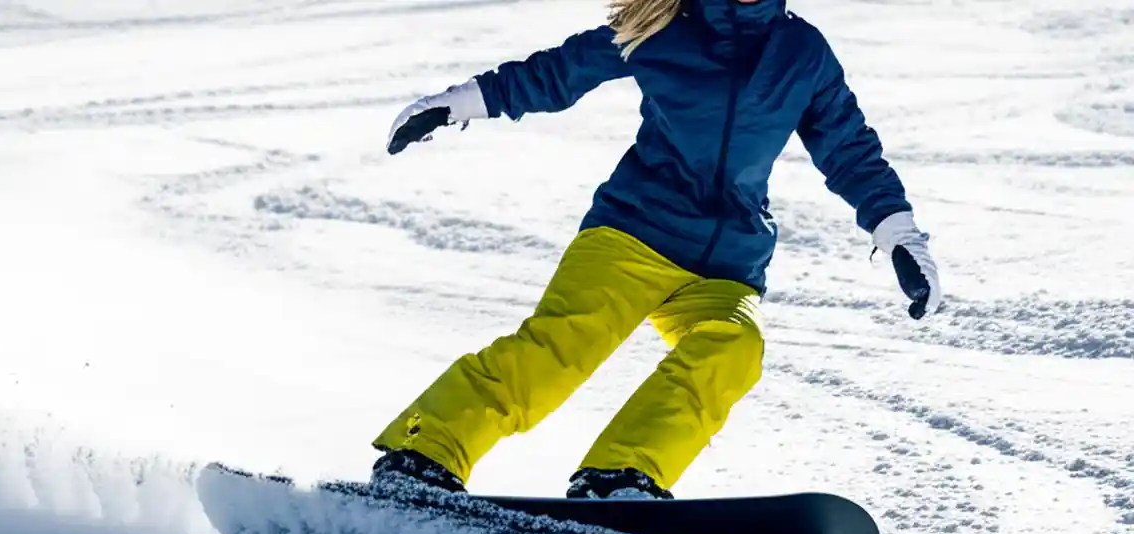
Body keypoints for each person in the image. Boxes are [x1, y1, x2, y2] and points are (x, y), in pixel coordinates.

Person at [370, 0, 942, 499]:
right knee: (558, 348)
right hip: (633, 233)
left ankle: (619, 476)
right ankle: (423, 451)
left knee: (733, 347)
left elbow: (849, 150)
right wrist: (458, 103)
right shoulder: (664, 24)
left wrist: (898, 233)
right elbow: (559, 73)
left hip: (726, 264)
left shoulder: (802, 52)